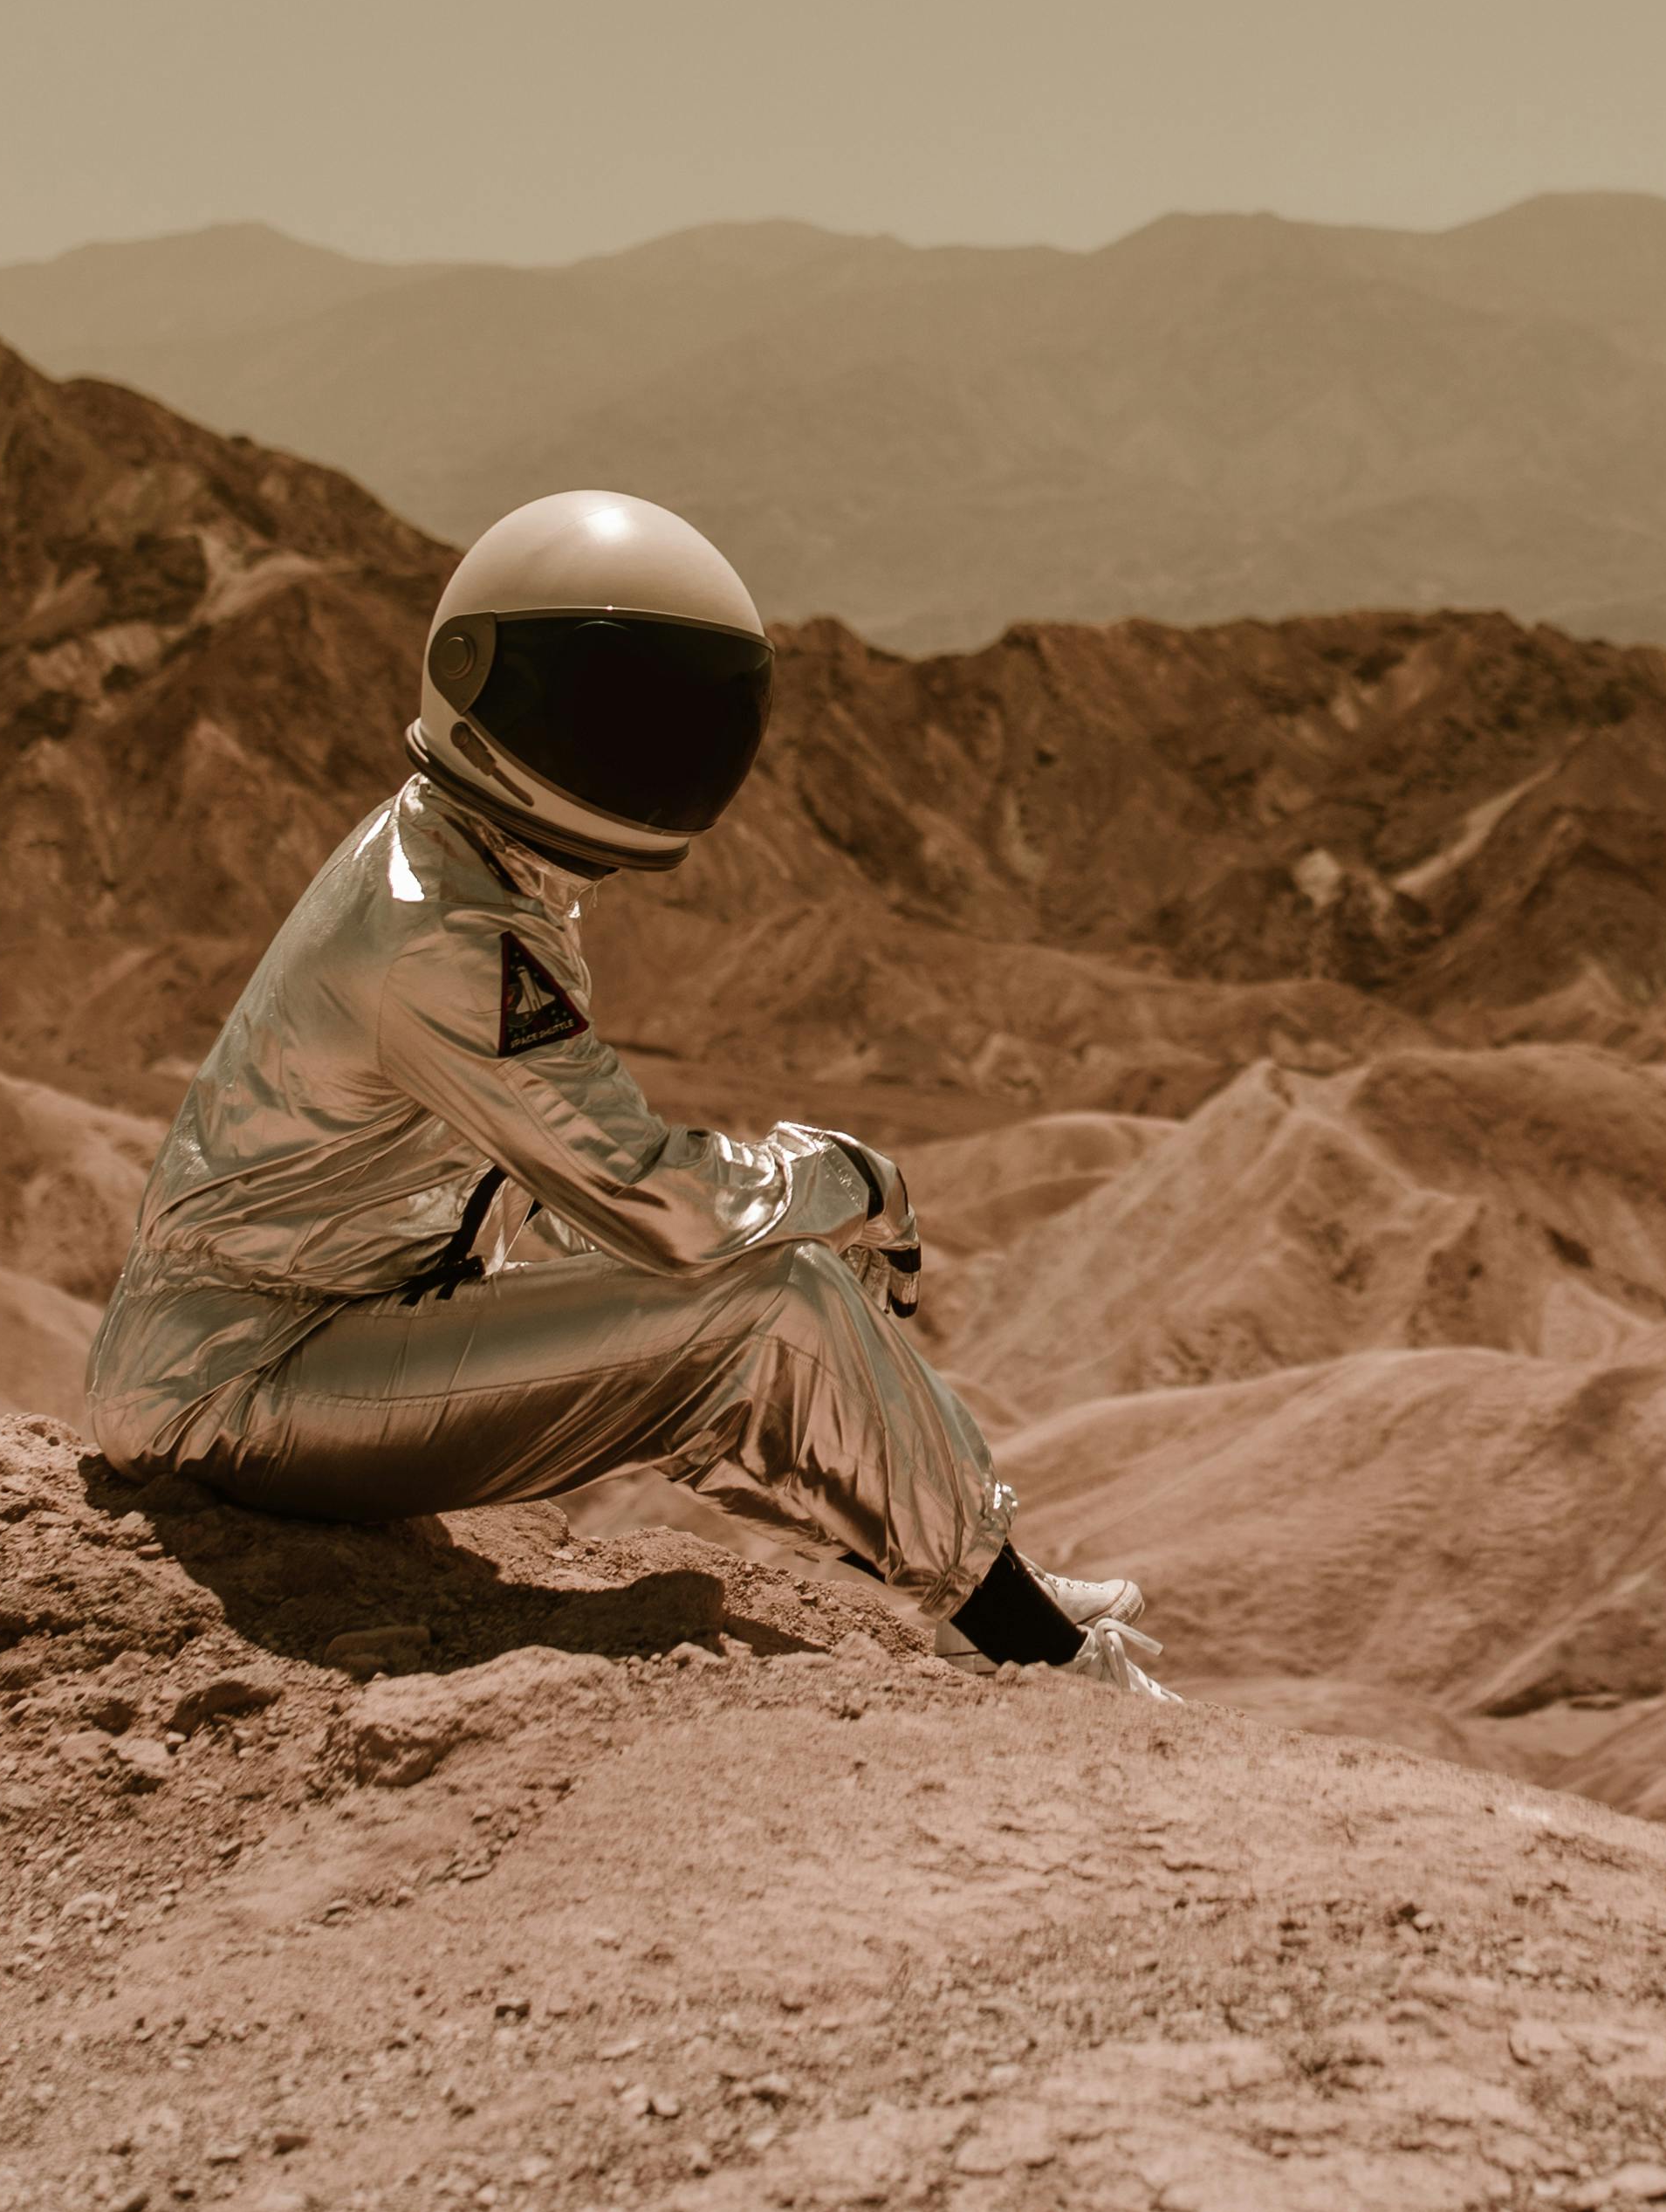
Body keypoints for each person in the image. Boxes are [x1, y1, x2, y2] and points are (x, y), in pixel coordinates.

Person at [85, 488, 1159, 1690]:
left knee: (753, 1292)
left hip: (305, 1333)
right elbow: (653, 1201)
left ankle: (976, 1569)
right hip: (242, 1382)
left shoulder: (459, 862)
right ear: (481, 679)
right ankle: (1030, 1644)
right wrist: (850, 1180)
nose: (644, 756)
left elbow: (533, 1173)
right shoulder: (443, 934)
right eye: (610, 715)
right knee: (767, 1305)